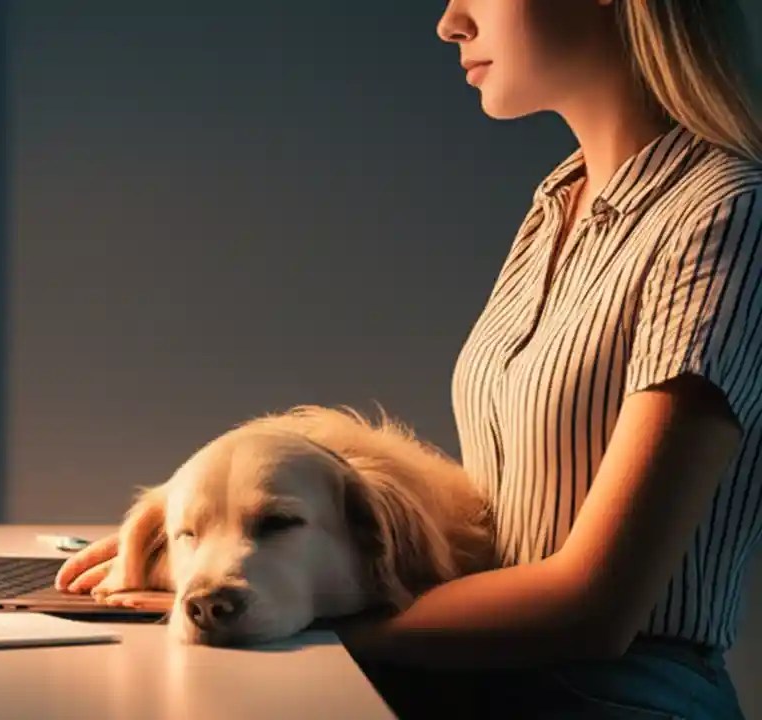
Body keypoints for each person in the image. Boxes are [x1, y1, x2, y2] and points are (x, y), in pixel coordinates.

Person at [55, 1, 762, 716]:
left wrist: (300, 614)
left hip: (618, 695)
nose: (450, 22)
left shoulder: (725, 215)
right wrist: (217, 541)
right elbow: (507, 519)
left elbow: (595, 607)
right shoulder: (562, 201)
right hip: (488, 676)